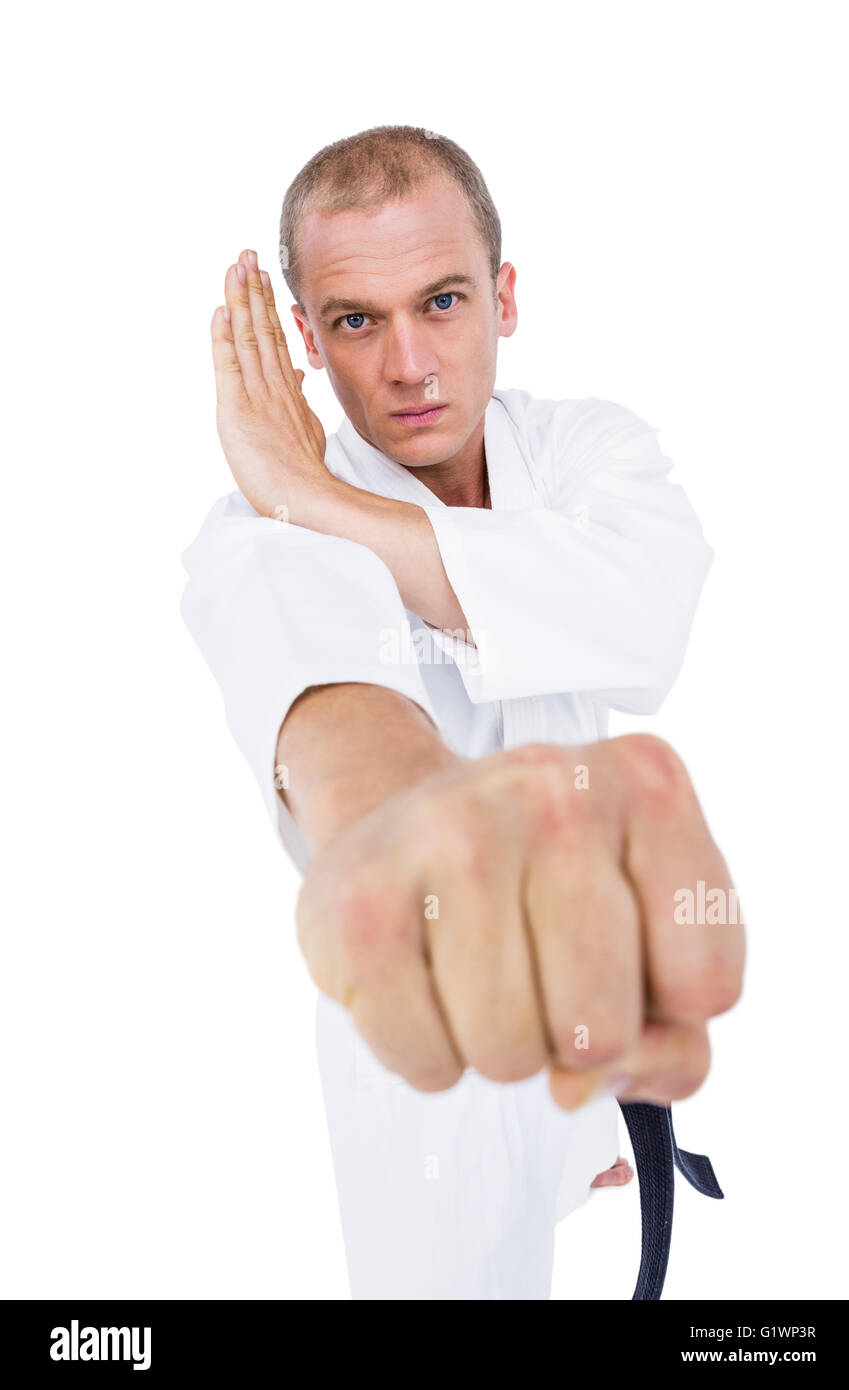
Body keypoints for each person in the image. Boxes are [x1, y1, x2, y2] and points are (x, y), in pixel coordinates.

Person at [180, 126, 744, 1300]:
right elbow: (343, 733)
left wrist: (312, 488)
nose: (407, 364)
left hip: (601, 1034)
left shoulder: (587, 451)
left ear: (506, 296)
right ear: (305, 339)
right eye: (354, 320)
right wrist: (415, 840)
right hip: (430, 1048)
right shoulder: (257, 542)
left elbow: (646, 626)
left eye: (441, 301)